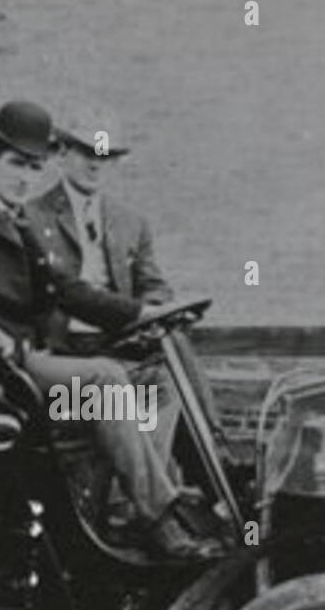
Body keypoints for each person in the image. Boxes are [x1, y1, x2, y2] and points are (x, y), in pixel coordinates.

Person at [0, 100, 223, 560]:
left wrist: (143, 314)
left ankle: (132, 507)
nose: (23, 177)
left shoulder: (21, 228)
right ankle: (160, 515)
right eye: (16, 163)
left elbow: (70, 292)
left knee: (157, 382)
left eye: (34, 168)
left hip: (31, 375)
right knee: (105, 378)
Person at [28, 105, 223, 492]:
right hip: (66, 351)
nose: (96, 165)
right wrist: (141, 313)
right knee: (169, 359)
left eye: (106, 156)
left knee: (170, 358)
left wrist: (154, 312)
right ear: (62, 153)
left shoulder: (130, 221)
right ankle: (208, 470)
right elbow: (63, 290)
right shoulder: (33, 217)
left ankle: (155, 493)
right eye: (87, 153)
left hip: (121, 344)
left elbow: (155, 285)